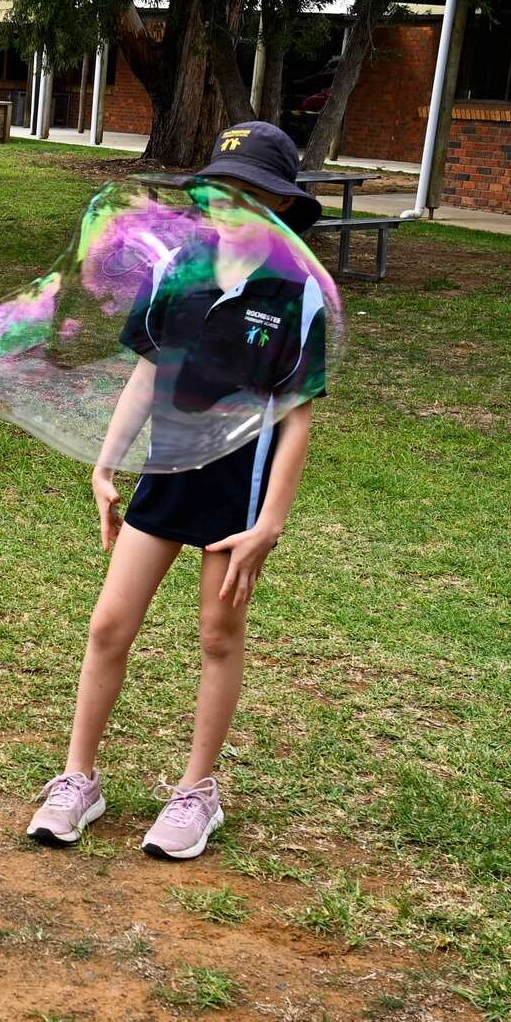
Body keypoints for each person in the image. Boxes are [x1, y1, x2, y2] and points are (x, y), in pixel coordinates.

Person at [26, 120, 327, 861]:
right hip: (165, 476)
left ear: (282, 204)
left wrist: (271, 523)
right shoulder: (179, 273)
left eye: (252, 193)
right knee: (107, 626)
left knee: (217, 636)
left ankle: (197, 792)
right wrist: (106, 464)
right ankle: (78, 779)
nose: (232, 205)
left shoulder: (297, 294)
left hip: (239, 490)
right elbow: (147, 374)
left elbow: (295, 418)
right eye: (220, 191)